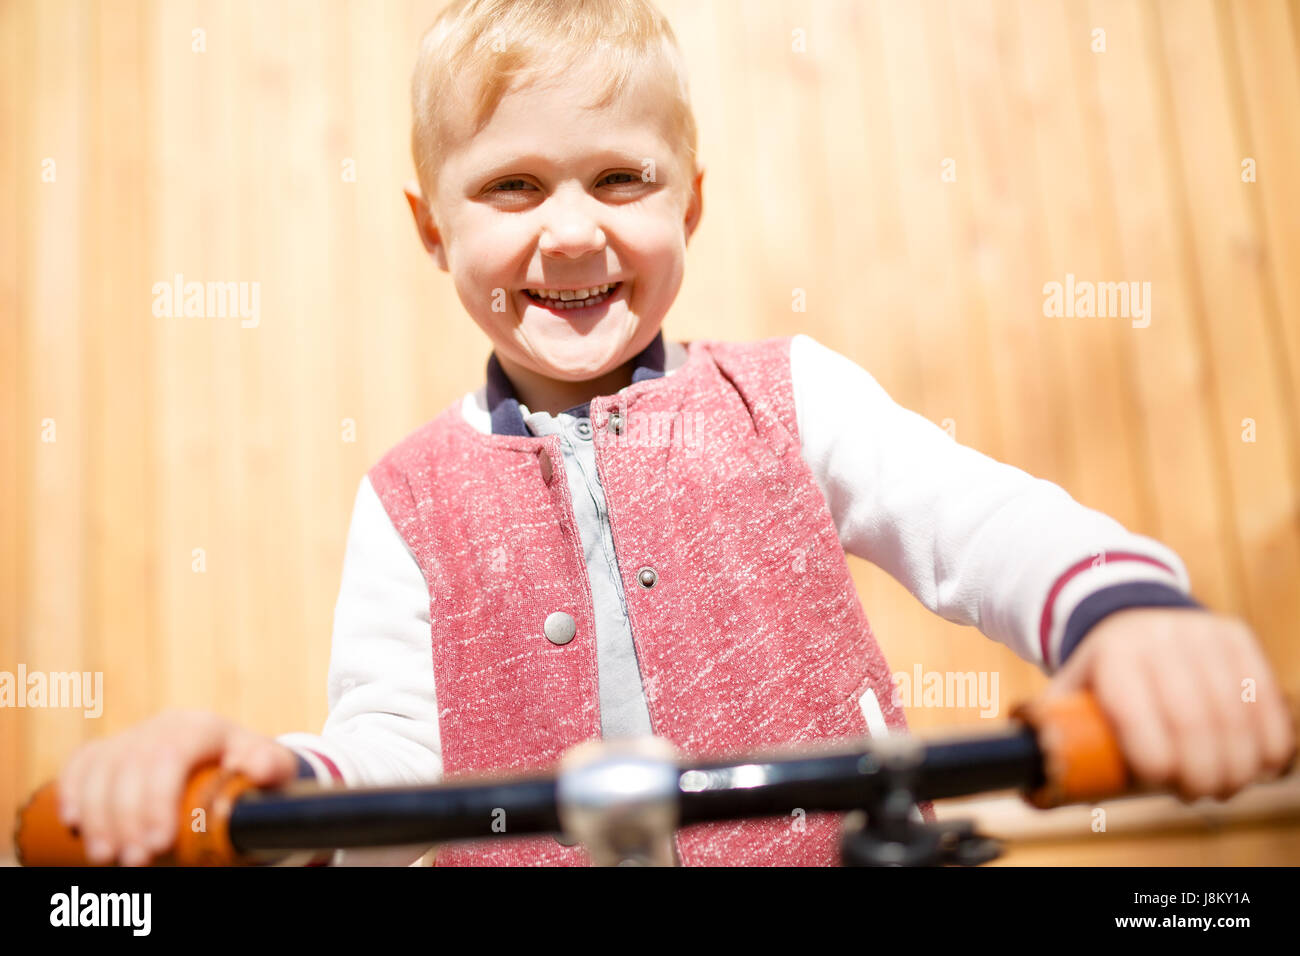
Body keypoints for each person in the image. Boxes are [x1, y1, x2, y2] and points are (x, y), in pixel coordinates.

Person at [56, 0, 1295, 866]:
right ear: (432, 231)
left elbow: (981, 523)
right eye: (512, 186)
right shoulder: (405, 496)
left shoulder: (790, 397)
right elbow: (395, 759)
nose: (576, 231)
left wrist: (1129, 617)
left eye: (621, 179)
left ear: (688, 202)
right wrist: (264, 778)